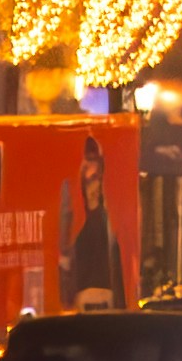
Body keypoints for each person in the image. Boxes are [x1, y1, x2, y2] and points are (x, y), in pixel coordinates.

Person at [60, 132, 128, 309]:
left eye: (96, 178)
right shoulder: (75, 221)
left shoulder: (107, 221)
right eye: (90, 179)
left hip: (101, 300)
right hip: (84, 302)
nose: (94, 186)